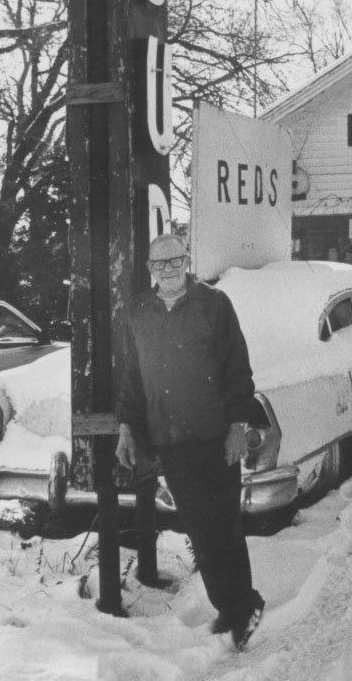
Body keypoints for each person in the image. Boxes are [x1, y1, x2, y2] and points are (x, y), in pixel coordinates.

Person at [115, 233, 265, 649]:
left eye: (174, 261)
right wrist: (127, 426)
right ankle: (229, 607)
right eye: (158, 264)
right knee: (199, 529)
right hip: (170, 437)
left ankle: (245, 604)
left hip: (215, 436)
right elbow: (133, 376)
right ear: (149, 269)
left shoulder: (214, 305)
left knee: (225, 526)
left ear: (187, 260)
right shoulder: (139, 312)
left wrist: (238, 425)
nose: (167, 270)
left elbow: (239, 369)